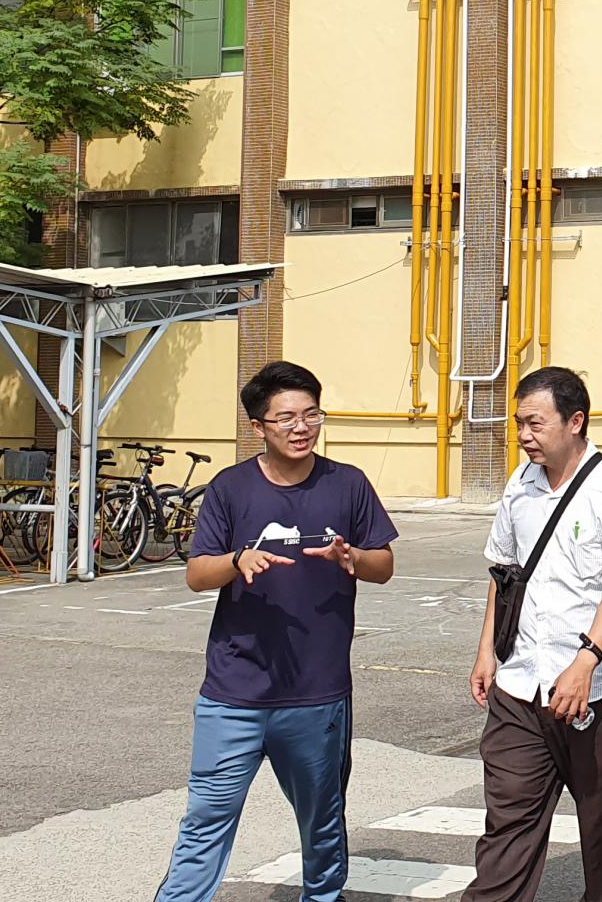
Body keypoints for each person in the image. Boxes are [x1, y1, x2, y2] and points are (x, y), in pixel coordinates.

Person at [154, 361, 398, 902]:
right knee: (206, 816)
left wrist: (351, 555)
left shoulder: (348, 484)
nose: (301, 427)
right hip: (233, 691)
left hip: (317, 693)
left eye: (311, 414)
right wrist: (236, 560)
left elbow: (384, 564)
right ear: (259, 425)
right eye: (285, 417)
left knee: (322, 822)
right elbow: (197, 574)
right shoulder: (230, 488)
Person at [468, 367, 602, 902]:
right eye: (518, 423)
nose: (524, 434)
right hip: (520, 685)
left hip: (593, 689)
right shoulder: (519, 485)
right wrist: (486, 653)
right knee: (507, 823)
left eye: (535, 423)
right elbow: (504, 574)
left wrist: (587, 659)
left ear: (575, 421)